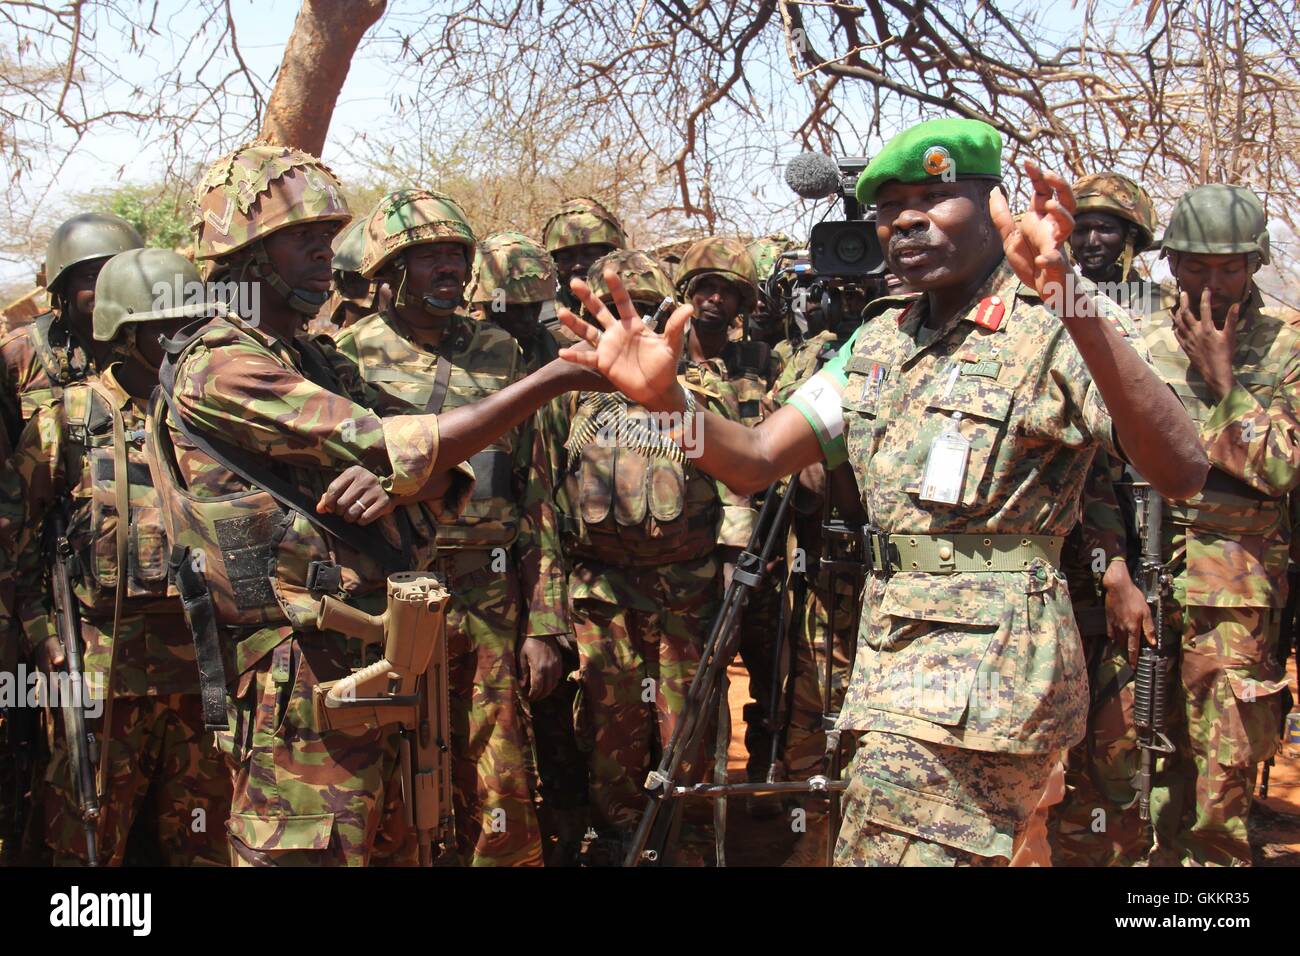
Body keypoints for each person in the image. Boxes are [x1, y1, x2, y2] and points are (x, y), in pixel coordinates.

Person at [557, 117, 1206, 866]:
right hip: (889, 668)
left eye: (935, 197)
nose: (905, 221)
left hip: (986, 683)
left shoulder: (1055, 324)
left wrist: (1071, 298)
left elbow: (1181, 469)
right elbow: (755, 458)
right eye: (888, 208)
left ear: (995, 206)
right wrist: (668, 403)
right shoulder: (881, 342)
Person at [152, 142, 601, 866]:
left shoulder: (308, 355)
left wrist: (399, 476)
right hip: (291, 664)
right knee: (308, 850)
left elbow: (434, 471)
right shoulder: (223, 363)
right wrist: (556, 380)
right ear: (247, 252)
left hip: (359, 645)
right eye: (303, 240)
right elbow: (387, 440)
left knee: (403, 838)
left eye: (329, 239)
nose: (324, 257)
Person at [332, 190, 568, 867]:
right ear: (389, 269)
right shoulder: (344, 355)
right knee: (389, 778)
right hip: (387, 595)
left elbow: (538, 491)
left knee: (498, 778)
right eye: (428, 255)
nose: (448, 269)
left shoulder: (500, 350)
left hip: (488, 594)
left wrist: (546, 622)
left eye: (455, 256)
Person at [7, 248, 232, 865]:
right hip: (103, 672)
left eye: (197, 325)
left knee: (203, 839)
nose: (186, 343)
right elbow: (14, 542)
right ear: (124, 333)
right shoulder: (67, 420)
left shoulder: (219, 415)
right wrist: (43, 638)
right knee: (86, 843)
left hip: (206, 673)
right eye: (168, 329)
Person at [550, 249, 755, 863]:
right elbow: (546, 493)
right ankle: (618, 837)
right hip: (600, 592)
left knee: (685, 722)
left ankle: (685, 839)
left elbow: (733, 482)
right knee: (610, 723)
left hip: (684, 590)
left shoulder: (698, 390)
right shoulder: (569, 394)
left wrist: (731, 574)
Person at [1137, 185, 1297, 866]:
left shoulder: (1287, 342)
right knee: (1137, 765)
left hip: (1237, 590)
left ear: (1256, 263)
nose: (1211, 283)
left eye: (1229, 268)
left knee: (1223, 781)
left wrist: (1225, 381)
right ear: (1169, 262)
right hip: (1143, 577)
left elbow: (1286, 469)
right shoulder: (1138, 342)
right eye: (1195, 267)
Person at [467, 230, 587, 863]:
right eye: (501, 308)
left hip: (570, 568)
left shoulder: (565, 357)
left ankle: (571, 834)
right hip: (491, 575)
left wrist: (549, 618)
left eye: (528, 307)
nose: (516, 321)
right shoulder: (470, 366)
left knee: (561, 719)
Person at [1, 213, 143, 442]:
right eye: (91, 276)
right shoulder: (18, 355)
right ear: (63, 286)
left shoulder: (153, 342)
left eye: (118, 274)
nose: (106, 287)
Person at [542, 197, 627, 313]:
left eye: (591, 254)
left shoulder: (646, 305)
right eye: (565, 258)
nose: (577, 266)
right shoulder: (545, 318)